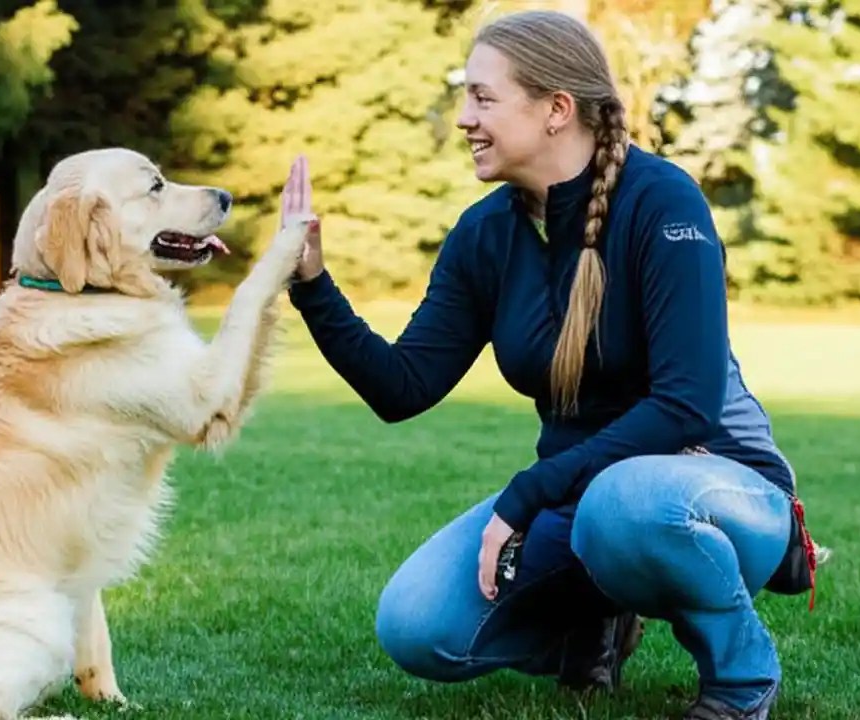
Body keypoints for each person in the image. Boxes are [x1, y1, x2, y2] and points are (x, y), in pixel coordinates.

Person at [277, 9, 816, 720]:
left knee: (623, 503)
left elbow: (686, 405)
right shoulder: (486, 233)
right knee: (417, 626)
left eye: (483, 97)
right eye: (464, 97)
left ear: (557, 109)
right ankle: (590, 626)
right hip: (583, 501)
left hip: (719, 490)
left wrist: (530, 493)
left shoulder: (663, 203)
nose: (464, 118)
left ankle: (740, 680)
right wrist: (312, 284)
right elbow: (400, 387)